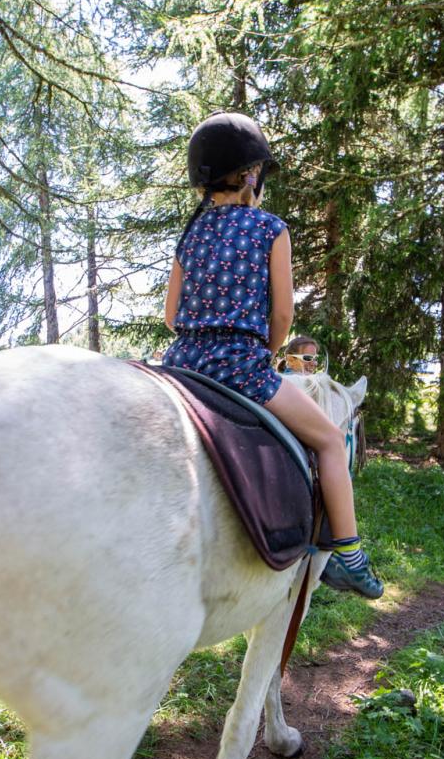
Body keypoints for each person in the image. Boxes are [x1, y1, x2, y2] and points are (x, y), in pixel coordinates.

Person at [163, 112, 382, 599]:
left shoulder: (190, 235)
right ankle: (349, 556)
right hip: (242, 367)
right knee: (330, 440)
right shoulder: (270, 228)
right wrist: (265, 350)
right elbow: (282, 313)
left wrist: (200, 334)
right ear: (250, 175)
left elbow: (171, 316)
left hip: (180, 366)